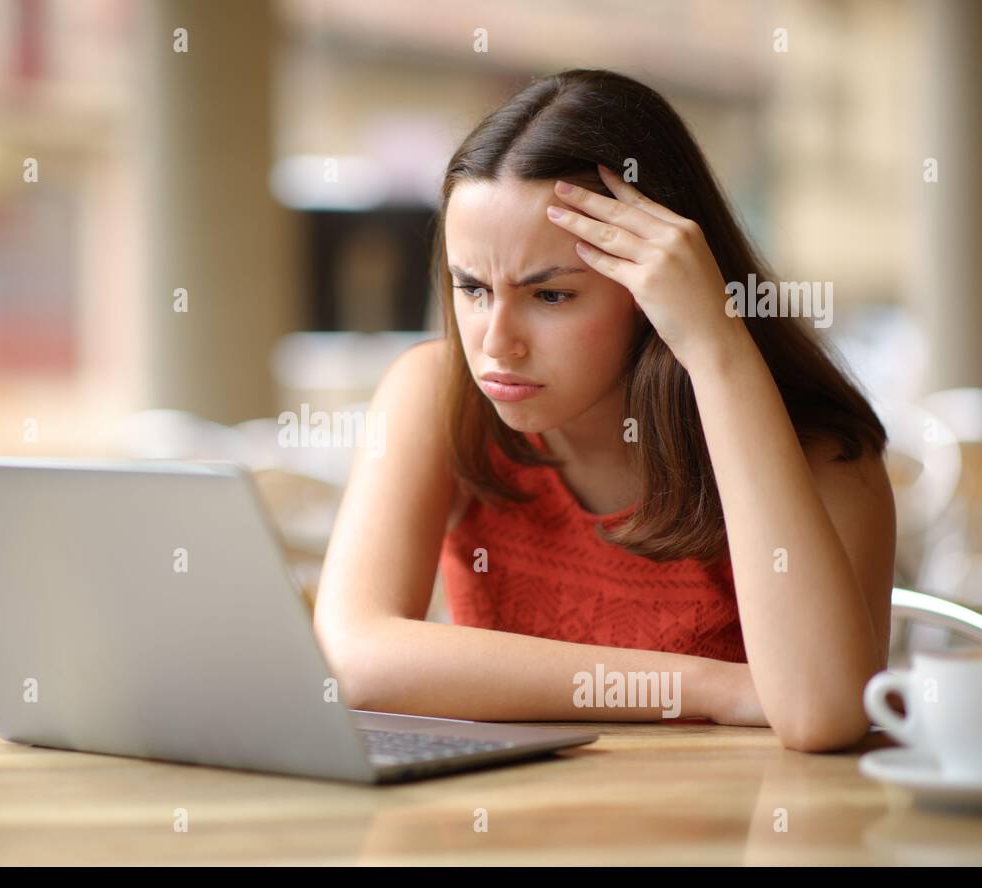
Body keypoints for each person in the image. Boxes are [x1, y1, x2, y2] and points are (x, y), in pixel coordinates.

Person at [312, 68, 895, 752]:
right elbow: (351, 659)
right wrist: (713, 688)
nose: (497, 343)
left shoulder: (822, 454)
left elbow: (821, 711)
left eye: (551, 295)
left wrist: (715, 346)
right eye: (472, 288)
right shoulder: (436, 394)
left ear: (657, 291)